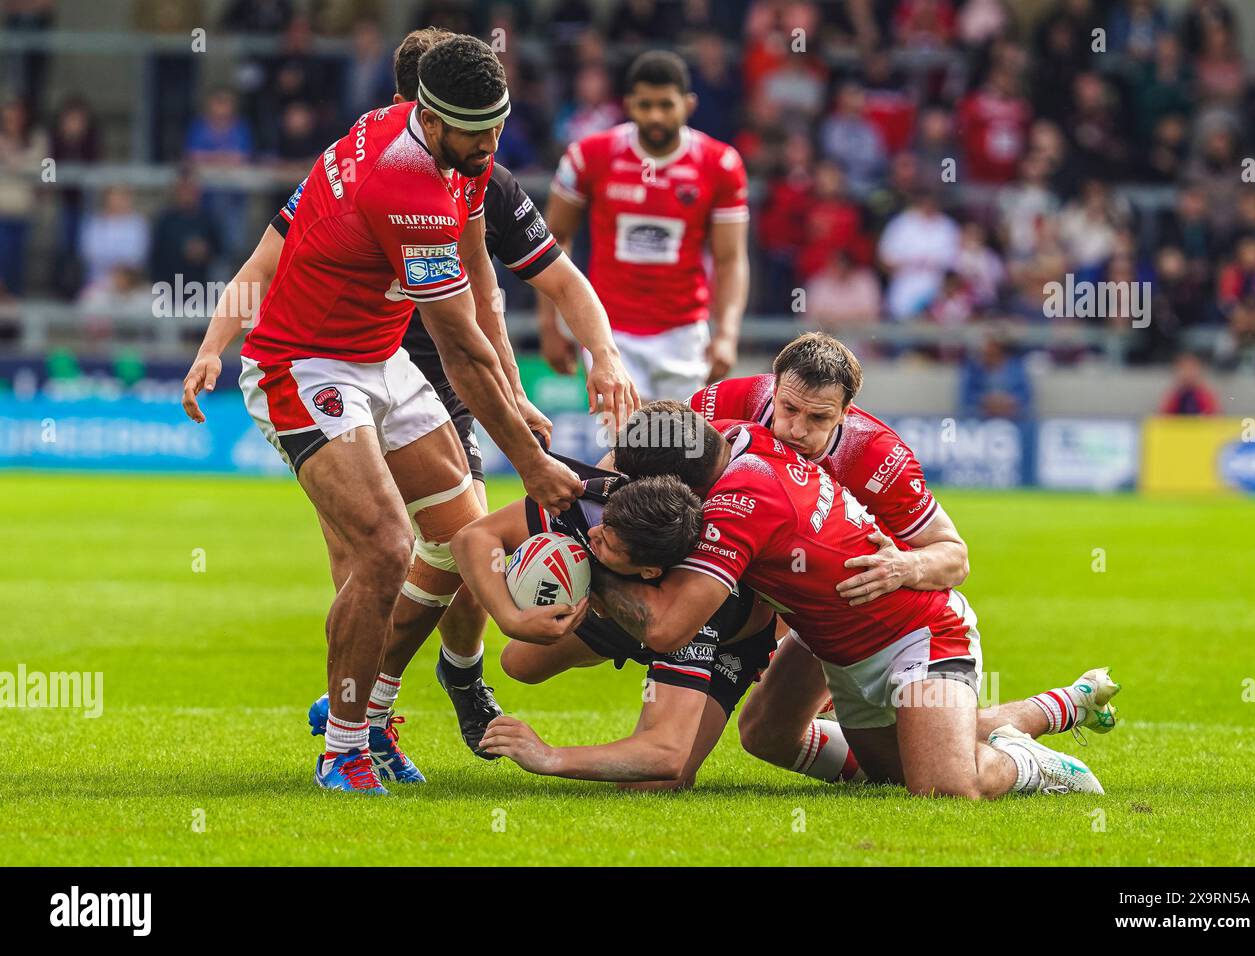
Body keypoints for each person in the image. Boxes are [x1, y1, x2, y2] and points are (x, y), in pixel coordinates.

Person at [183, 29, 638, 778]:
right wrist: (534, 467)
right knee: (382, 551)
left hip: (380, 357)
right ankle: (345, 750)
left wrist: (517, 395)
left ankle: (375, 701)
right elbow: (459, 350)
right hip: (301, 366)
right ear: (428, 119)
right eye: (477, 129)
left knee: (465, 539)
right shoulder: (406, 187)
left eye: (499, 122)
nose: (492, 141)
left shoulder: (426, 142)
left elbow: (484, 296)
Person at [585, 403, 1110, 798]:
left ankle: (1033, 765)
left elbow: (665, 630)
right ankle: (1057, 705)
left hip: (918, 633)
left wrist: (593, 569)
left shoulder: (737, 507)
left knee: (944, 786)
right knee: (774, 737)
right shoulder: (744, 436)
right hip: (833, 645)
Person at [452, 461, 789, 787]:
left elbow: (665, 754)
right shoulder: (592, 501)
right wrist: (510, 620)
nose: (594, 534)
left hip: (729, 645)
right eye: (605, 523)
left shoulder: (690, 612)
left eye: (608, 544)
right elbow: (472, 539)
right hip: (626, 606)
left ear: (650, 572)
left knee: (654, 782)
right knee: (519, 663)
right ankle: (620, 631)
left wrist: (549, 757)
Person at [541, 50, 750, 400]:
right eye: (645, 105)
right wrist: (551, 325)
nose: (655, 115)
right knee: (626, 447)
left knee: (682, 449)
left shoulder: (720, 164)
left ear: (688, 104)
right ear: (628, 104)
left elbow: (730, 258)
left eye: (666, 105)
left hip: (684, 333)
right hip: (608, 331)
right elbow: (553, 242)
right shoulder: (588, 156)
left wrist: (727, 334)